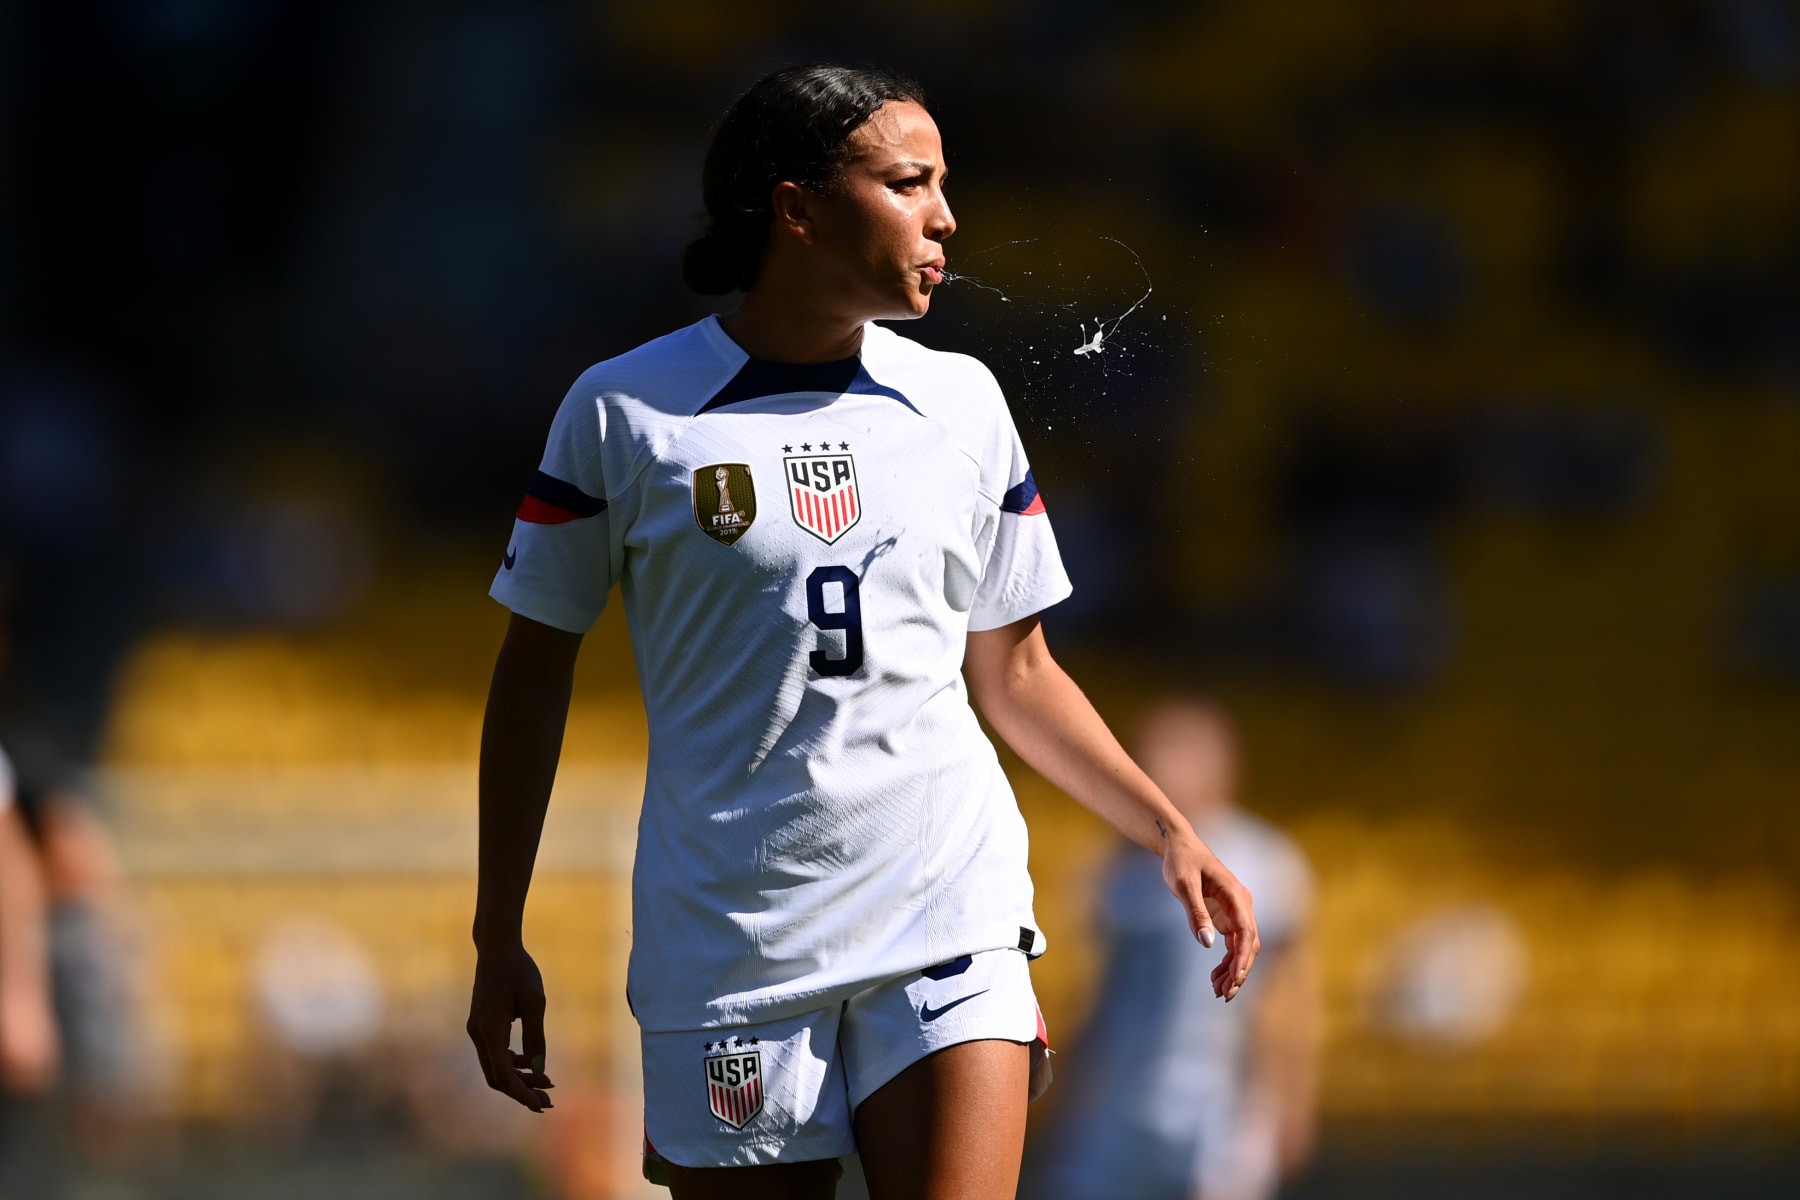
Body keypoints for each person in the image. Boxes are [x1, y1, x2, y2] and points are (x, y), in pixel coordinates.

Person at [466, 64, 1260, 1200]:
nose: (946, 218)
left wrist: (1168, 829)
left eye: (943, 185)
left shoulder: (965, 403)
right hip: (731, 943)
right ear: (796, 207)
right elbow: (532, 676)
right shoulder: (621, 412)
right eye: (908, 183)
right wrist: (499, 934)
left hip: (948, 913)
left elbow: (1018, 669)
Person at [1029, 697, 1318, 1200]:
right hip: (1121, 1102)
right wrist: (1070, 1094)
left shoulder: (1263, 861)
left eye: (1183, 752)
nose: (1164, 768)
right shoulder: (1117, 869)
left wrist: (1290, 1099)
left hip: (1222, 1105)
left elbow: (1289, 997)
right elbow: (1100, 996)